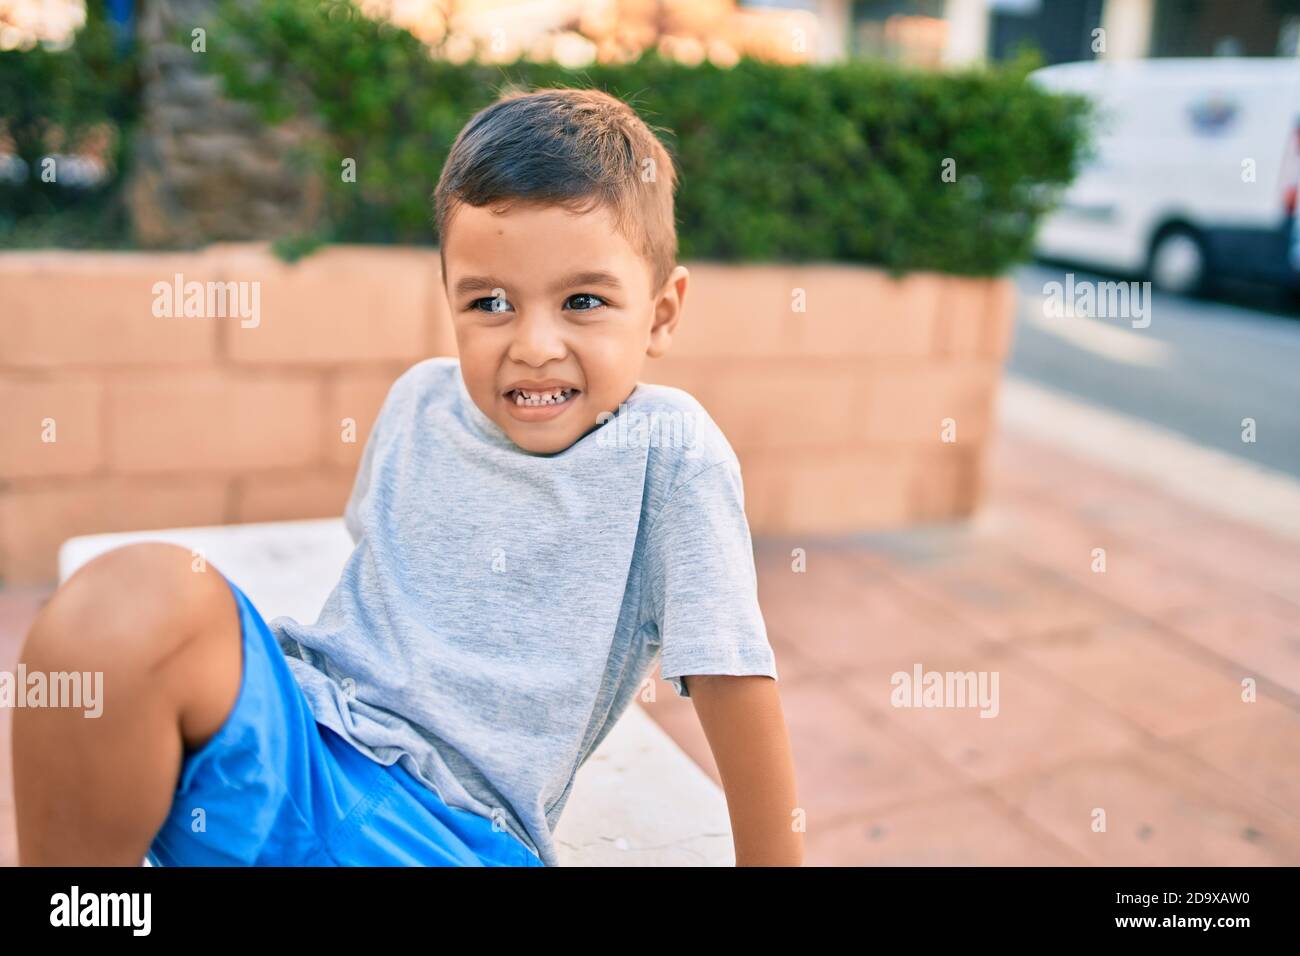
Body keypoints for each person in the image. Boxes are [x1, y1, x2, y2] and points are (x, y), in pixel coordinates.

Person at [14, 86, 802, 868]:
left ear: (662, 313)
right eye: (490, 302)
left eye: (584, 301)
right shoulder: (418, 401)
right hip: (303, 755)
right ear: (448, 299)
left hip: (450, 836)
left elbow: (734, 683)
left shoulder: (668, 451)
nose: (532, 344)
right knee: (127, 603)